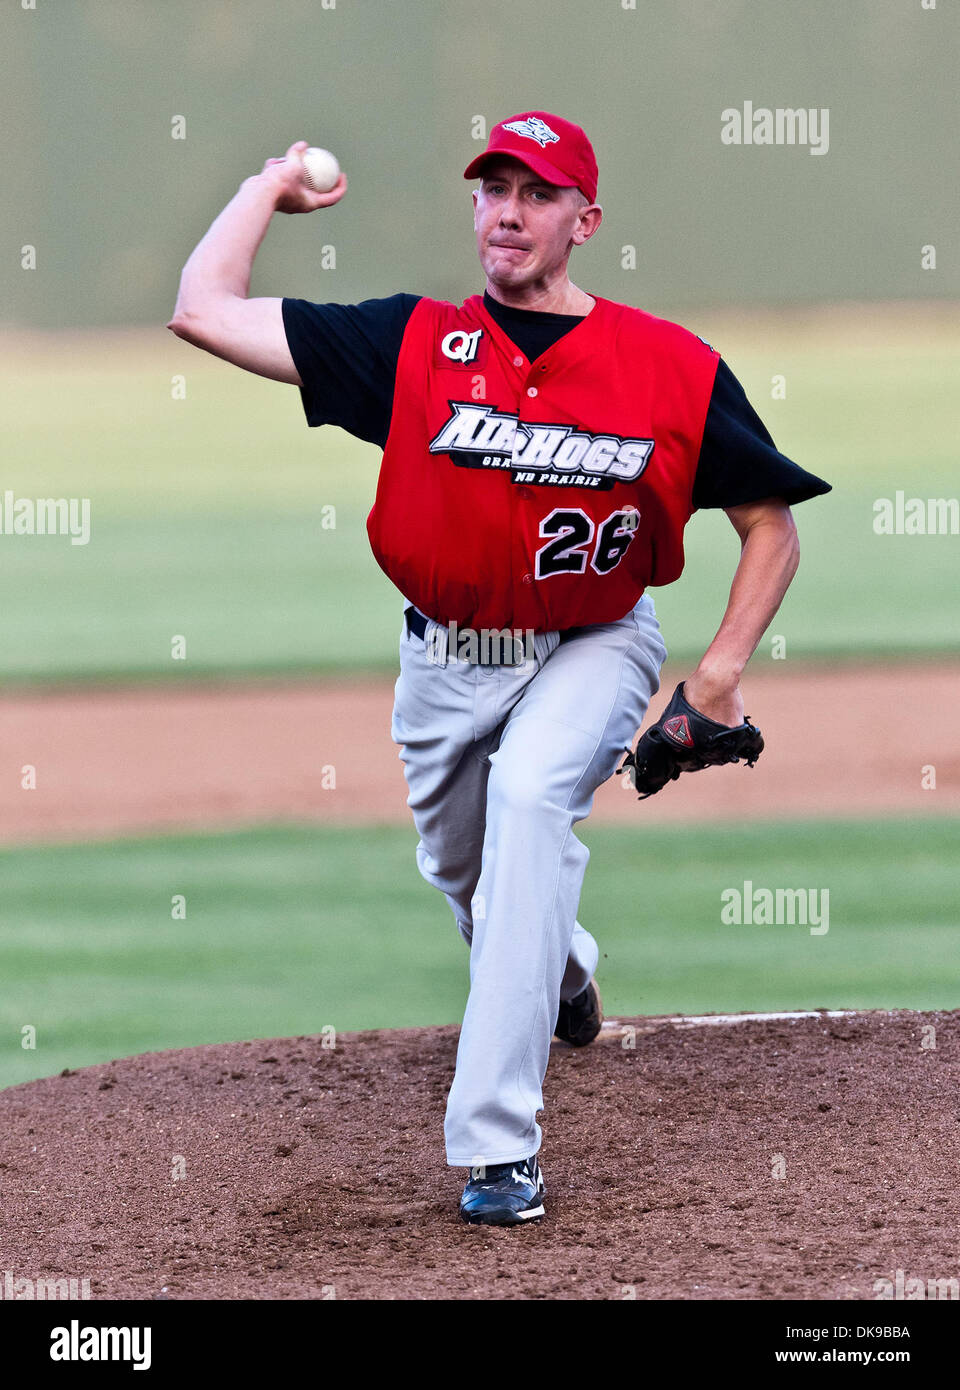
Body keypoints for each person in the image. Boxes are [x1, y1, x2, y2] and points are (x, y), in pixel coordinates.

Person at [168, 110, 830, 1227]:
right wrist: (264, 186)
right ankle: (562, 973)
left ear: (585, 218)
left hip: (595, 643)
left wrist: (716, 674)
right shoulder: (412, 344)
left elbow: (771, 524)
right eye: (492, 190)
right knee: (469, 878)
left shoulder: (668, 367)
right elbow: (203, 312)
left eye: (535, 192)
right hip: (444, 664)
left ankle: (496, 1149)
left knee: (531, 806)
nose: (508, 212)